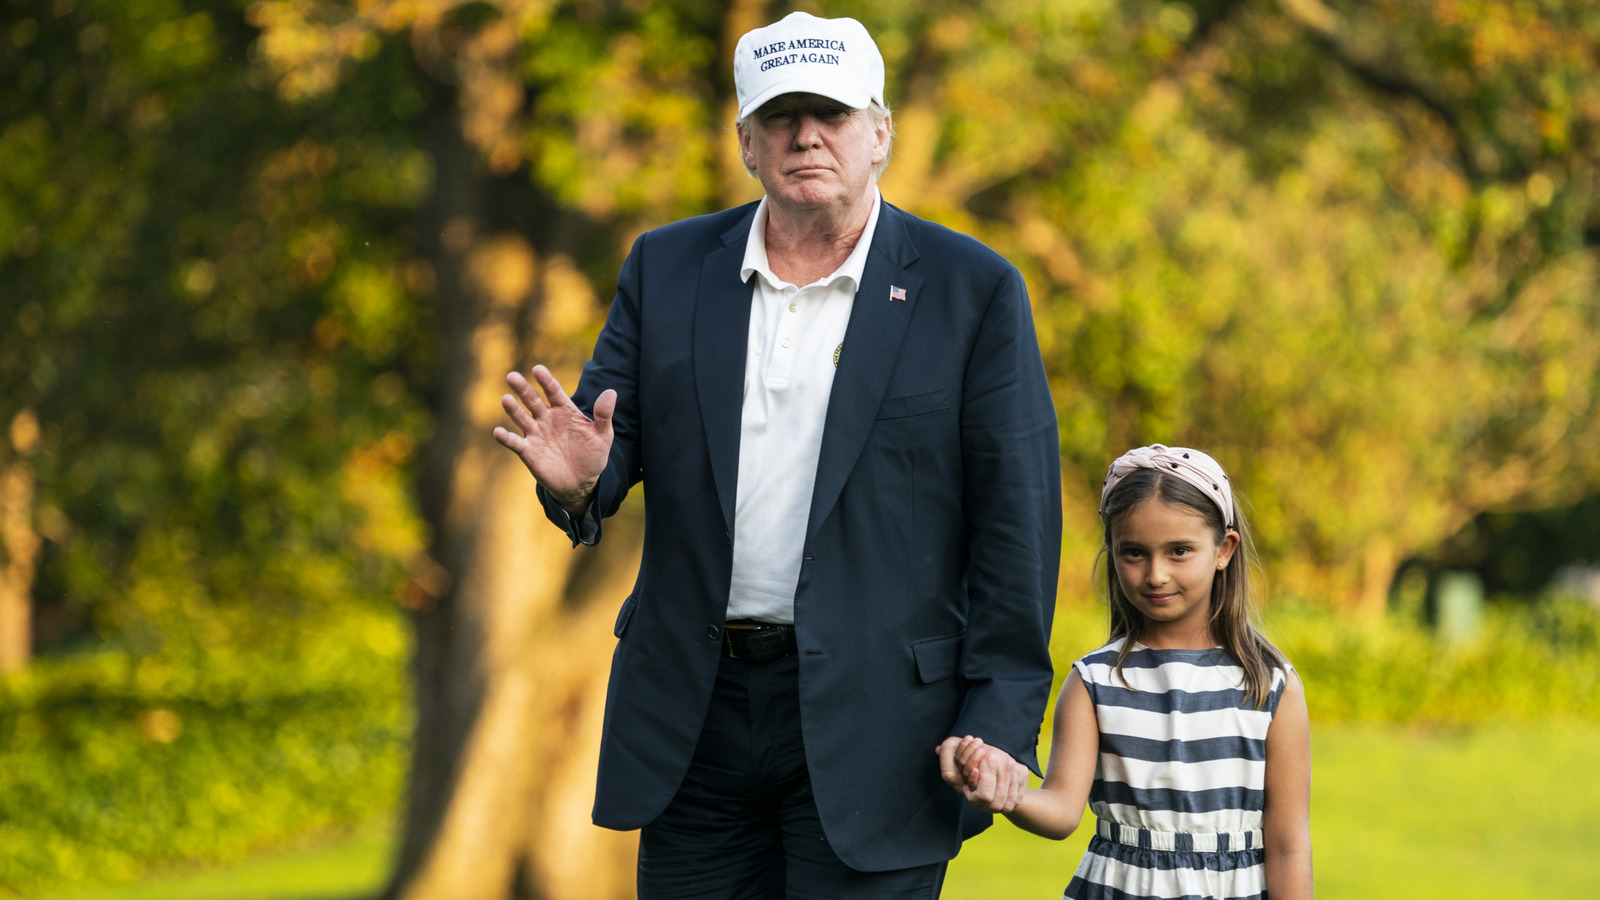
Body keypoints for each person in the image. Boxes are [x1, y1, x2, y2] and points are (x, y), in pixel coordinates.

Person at [492, 11, 1061, 898]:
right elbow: (607, 446)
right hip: (695, 714)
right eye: (780, 117)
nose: (806, 136)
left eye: (830, 115)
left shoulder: (972, 289)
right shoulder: (666, 267)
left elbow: (1015, 527)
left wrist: (999, 716)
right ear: (746, 143)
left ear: (880, 134)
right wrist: (585, 484)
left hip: (886, 727)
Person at [945, 445, 1313, 900]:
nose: (1156, 574)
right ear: (1113, 551)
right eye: (1134, 553)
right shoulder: (1095, 682)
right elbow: (1061, 811)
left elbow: (1287, 847)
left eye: (1179, 551)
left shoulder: (1270, 686)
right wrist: (1005, 791)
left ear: (1224, 549)